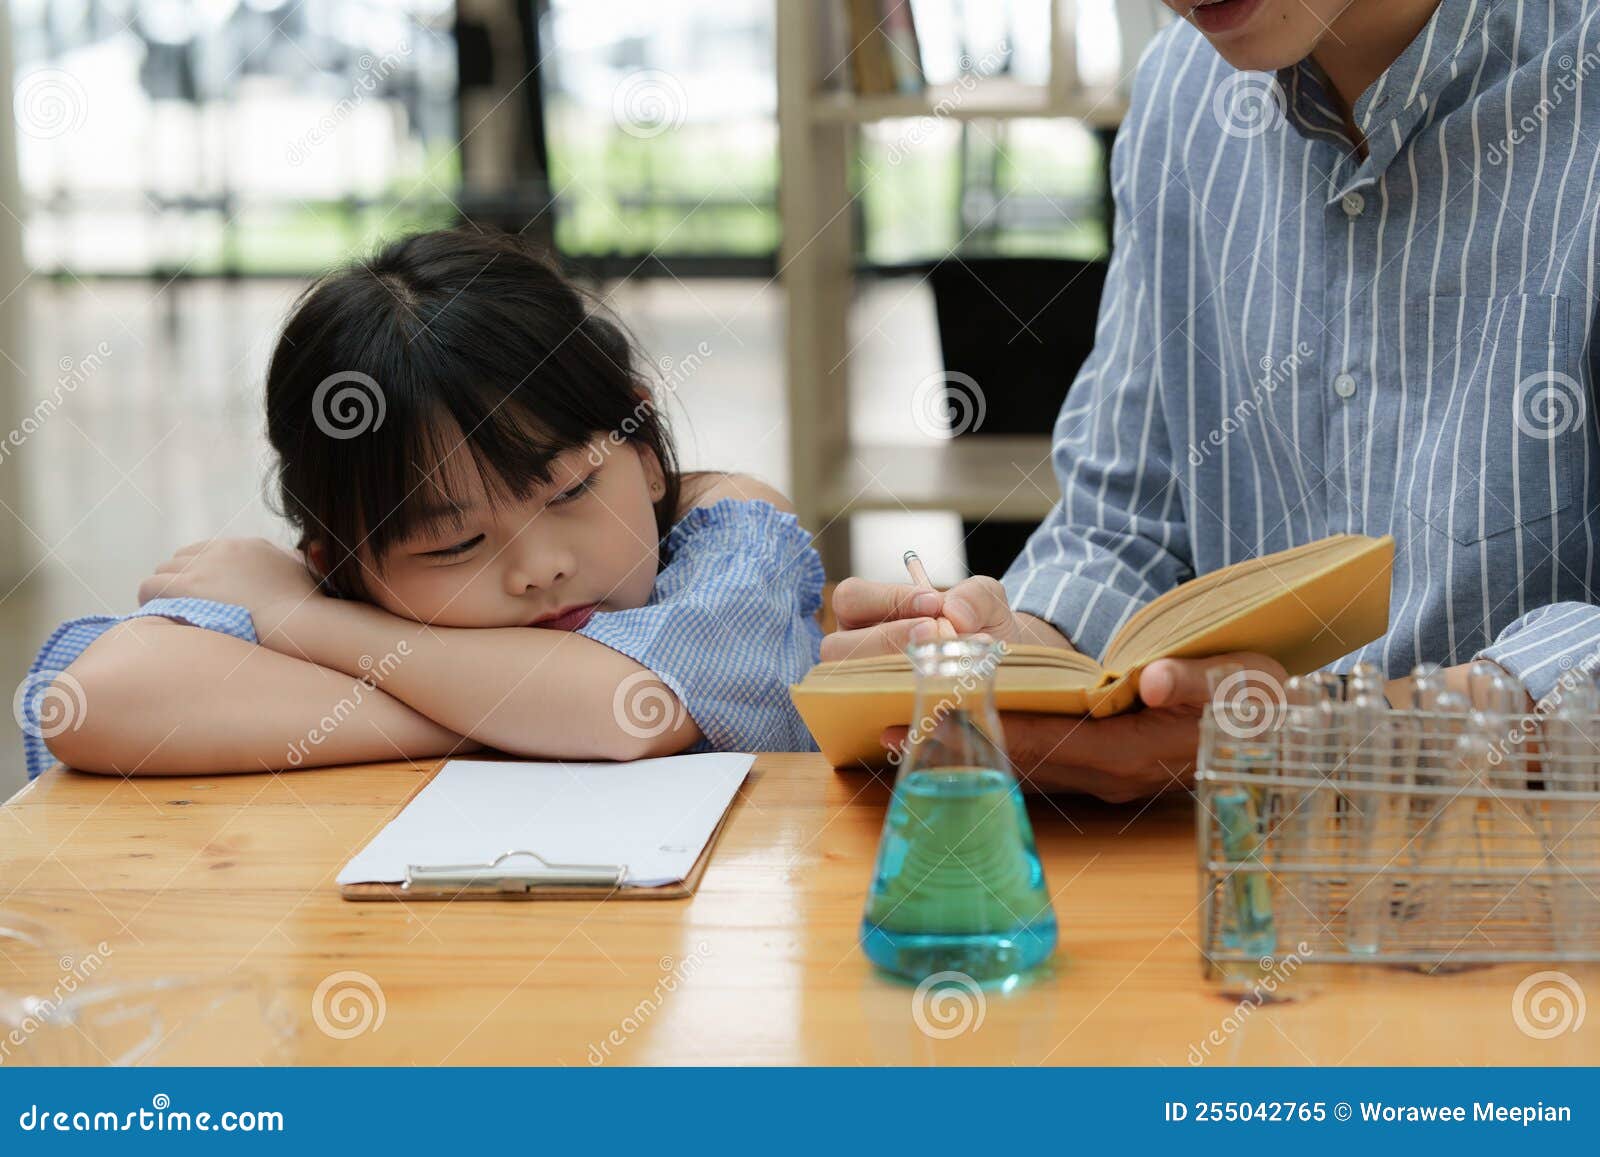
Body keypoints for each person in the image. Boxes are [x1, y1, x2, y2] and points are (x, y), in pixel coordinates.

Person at [826, 0, 1597, 800]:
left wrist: (1325, 738)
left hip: (1529, 873)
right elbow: (1123, 525)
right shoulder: (1182, 91)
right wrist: (1014, 657)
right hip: (1222, 869)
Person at [22, 229, 822, 777]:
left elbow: (626, 710)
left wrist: (307, 624)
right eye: (453, 545)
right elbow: (94, 701)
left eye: (571, 489)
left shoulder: (728, 525)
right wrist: (529, 715)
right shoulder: (349, 587)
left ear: (644, 450)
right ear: (339, 563)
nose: (540, 568)